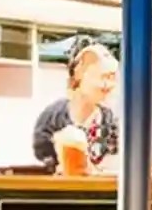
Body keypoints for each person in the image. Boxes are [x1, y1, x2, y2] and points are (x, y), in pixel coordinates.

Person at [32, 38, 120, 174]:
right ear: (80, 75)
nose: (108, 85)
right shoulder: (53, 117)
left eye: (112, 78)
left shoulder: (110, 121)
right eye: (103, 77)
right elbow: (42, 163)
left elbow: (114, 165)